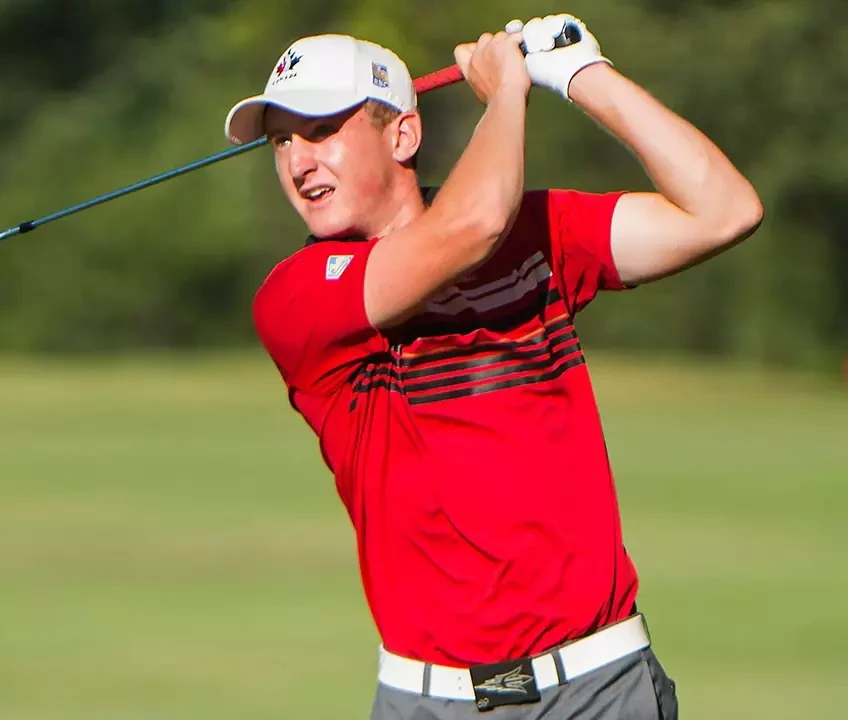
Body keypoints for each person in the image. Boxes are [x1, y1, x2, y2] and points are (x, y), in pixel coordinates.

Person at [222, 14, 762, 720]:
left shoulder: (536, 235)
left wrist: (578, 75)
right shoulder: (298, 297)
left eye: (321, 131)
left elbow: (724, 211)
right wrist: (507, 93)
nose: (298, 162)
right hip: (429, 699)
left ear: (403, 135)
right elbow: (470, 227)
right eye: (282, 140)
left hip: (603, 686)